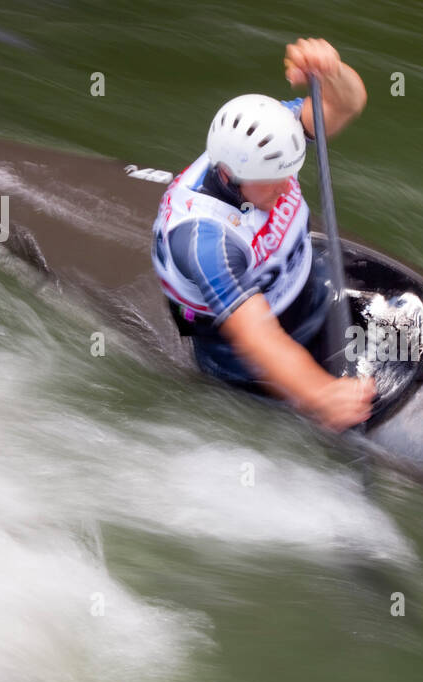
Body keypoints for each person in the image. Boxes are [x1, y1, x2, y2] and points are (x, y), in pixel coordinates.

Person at [151, 38, 375, 432]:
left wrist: (332, 73)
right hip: (244, 358)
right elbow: (255, 336)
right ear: (228, 176)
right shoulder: (206, 239)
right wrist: (320, 395)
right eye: (271, 182)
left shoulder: (269, 139)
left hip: (309, 287)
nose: (285, 185)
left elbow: (346, 105)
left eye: (287, 172)